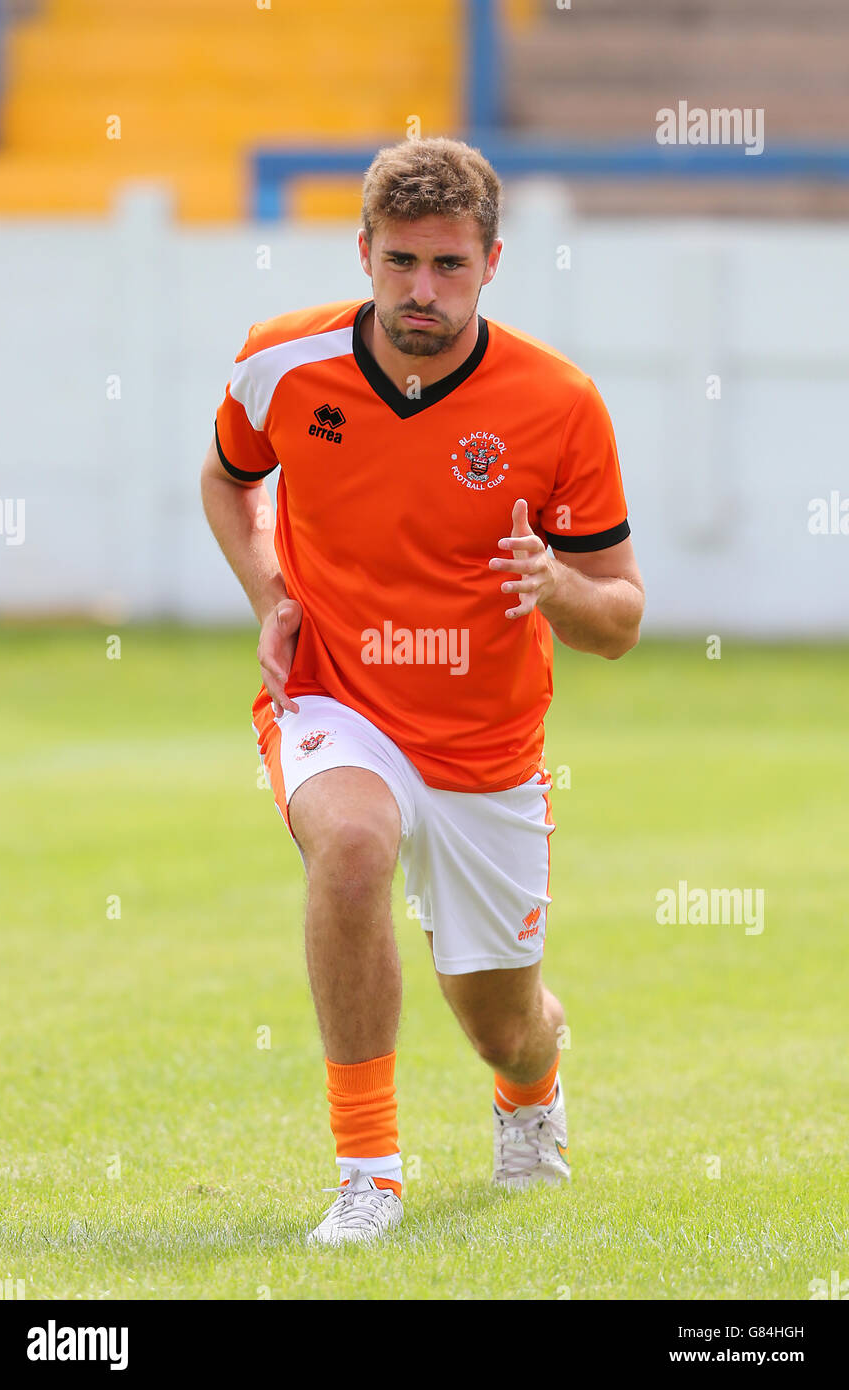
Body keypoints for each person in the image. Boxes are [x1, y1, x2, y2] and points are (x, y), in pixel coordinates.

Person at [201, 136, 644, 1246]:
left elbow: (622, 618)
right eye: (400, 262)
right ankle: (369, 1174)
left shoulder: (558, 403)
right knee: (350, 848)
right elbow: (227, 474)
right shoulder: (279, 365)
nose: (422, 292)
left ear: (492, 262)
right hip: (332, 695)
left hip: (487, 745)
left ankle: (530, 1092)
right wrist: (270, 594)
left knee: (501, 1021)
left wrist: (554, 587)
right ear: (362, 251)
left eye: (449, 266)